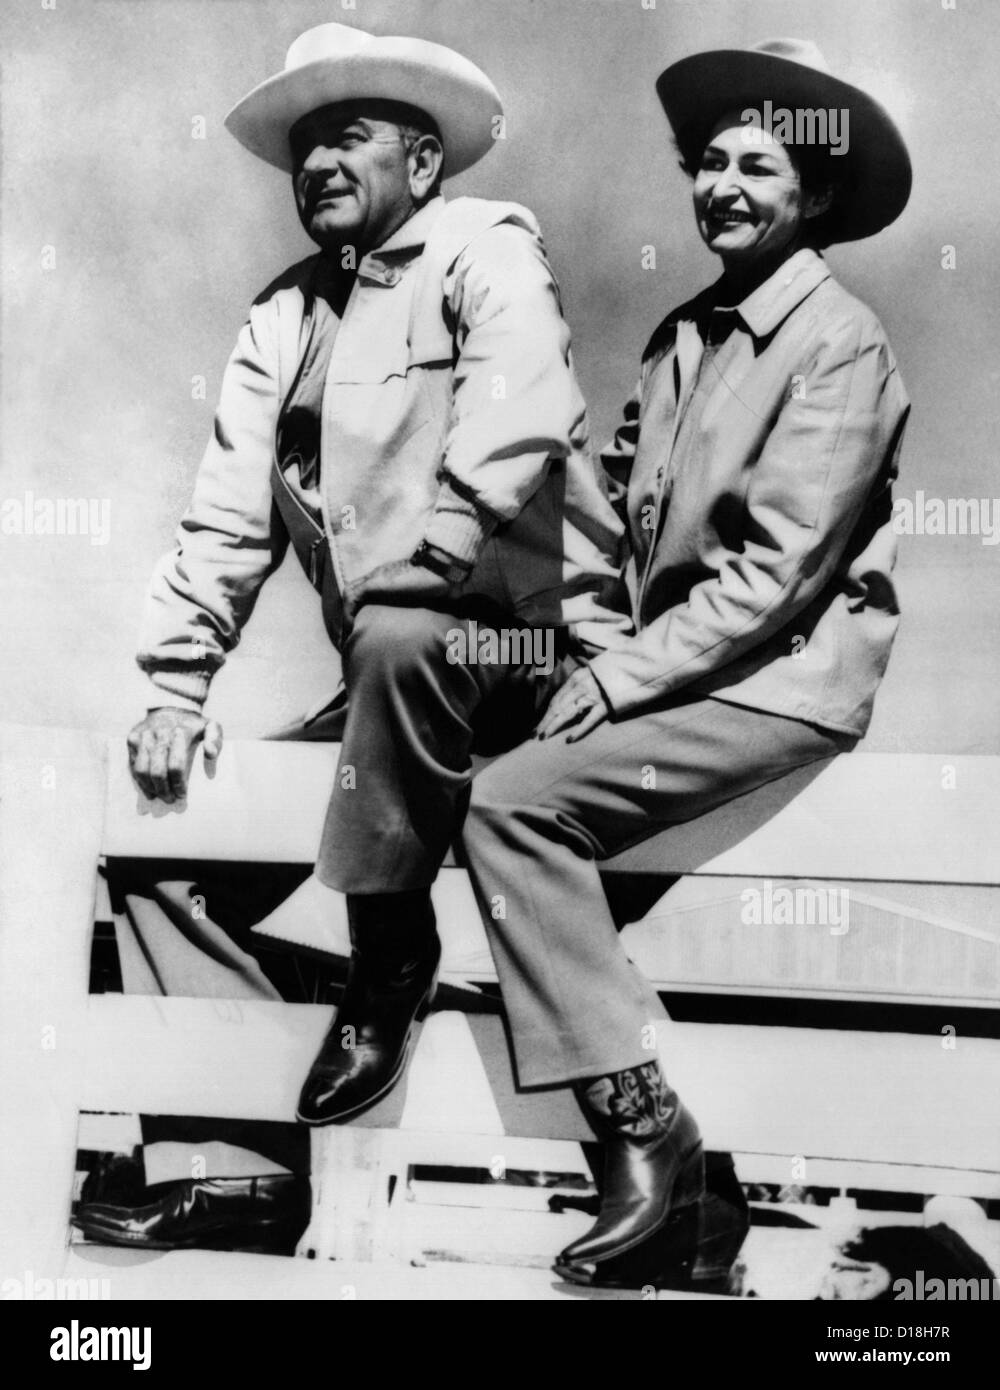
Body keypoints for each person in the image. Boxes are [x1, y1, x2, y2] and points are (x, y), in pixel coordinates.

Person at [75, 21, 631, 1250]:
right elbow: (227, 516)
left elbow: (522, 398)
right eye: (304, 144)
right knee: (167, 841)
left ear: (422, 163)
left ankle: (394, 972)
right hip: (392, 680)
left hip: (528, 662)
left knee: (411, 662)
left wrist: (439, 549)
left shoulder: (485, 247)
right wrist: (175, 687)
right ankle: (234, 1168)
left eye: (351, 135)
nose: (319, 161)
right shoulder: (282, 318)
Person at [461, 37, 912, 1287]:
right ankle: (701, 1221)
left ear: (815, 192)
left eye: (754, 166)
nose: (719, 186)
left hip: (777, 685)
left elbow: (776, 578)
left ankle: (651, 1140)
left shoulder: (840, 342)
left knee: (510, 806)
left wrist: (614, 680)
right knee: (450, 781)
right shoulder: (680, 336)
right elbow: (611, 529)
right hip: (677, 675)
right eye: (707, 163)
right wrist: (581, 644)